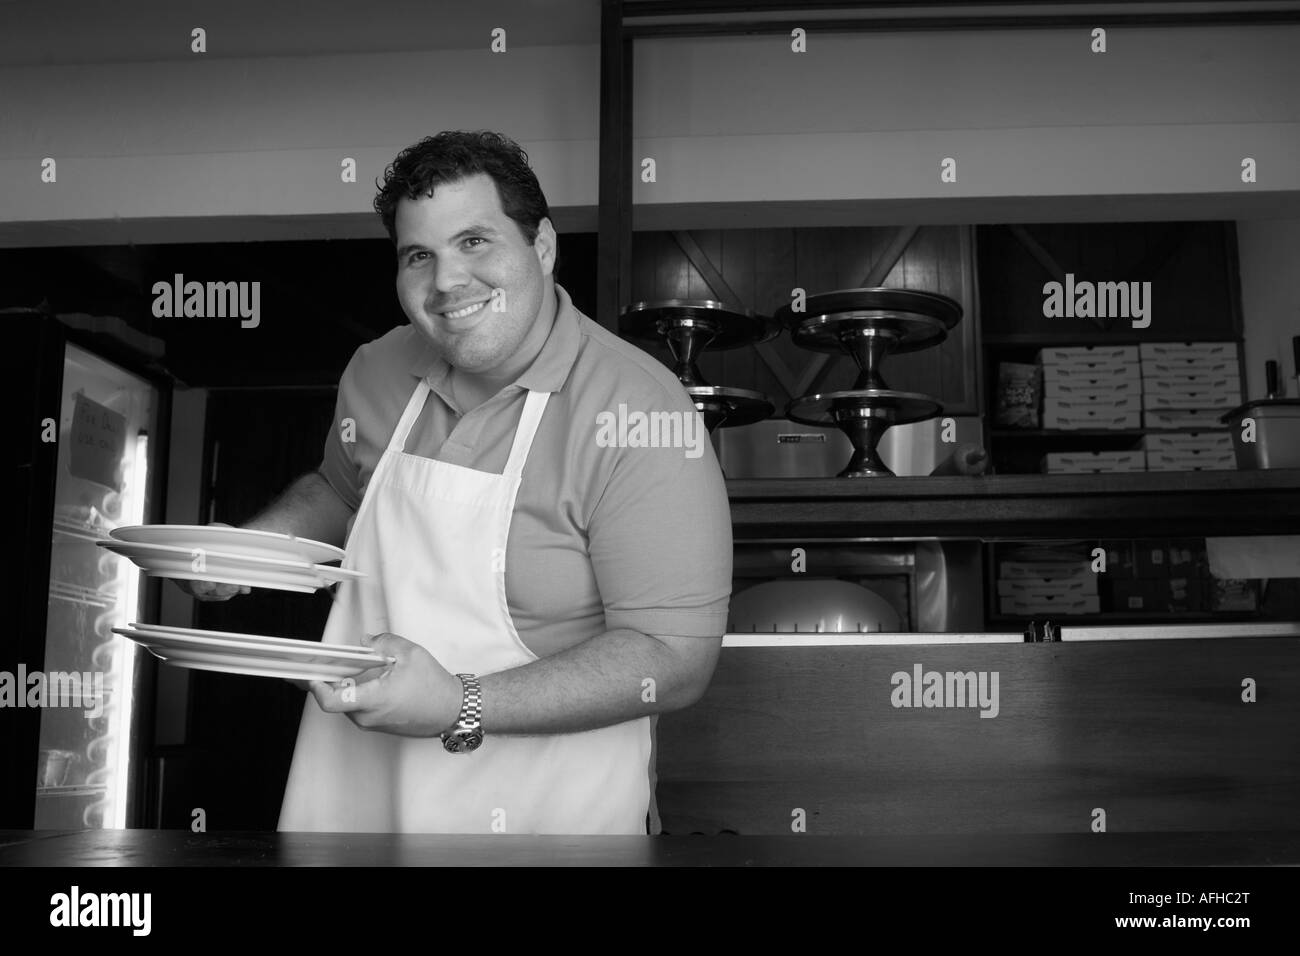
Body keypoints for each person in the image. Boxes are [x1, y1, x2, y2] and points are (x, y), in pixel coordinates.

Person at [182, 130, 733, 834]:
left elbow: (673, 659)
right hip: (354, 802)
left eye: (475, 242)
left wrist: (459, 704)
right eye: (420, 256)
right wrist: (258, 549)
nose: (445, 282)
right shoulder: (377, 370)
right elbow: (342, 489)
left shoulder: (640, 412)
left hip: (551, 827)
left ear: (542, 248)